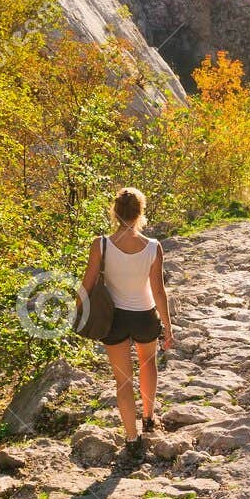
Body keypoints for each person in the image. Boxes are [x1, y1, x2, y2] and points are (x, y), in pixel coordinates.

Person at [81, 187, 173, 462]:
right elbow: (158, 291)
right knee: (148, 365)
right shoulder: (153, 246)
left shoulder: (101, 244)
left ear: (114, 212)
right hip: (145, 316)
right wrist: (167, 325)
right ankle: (149, 417)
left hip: (114, 319)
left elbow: (87, 285)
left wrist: (79, 314)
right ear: (140, 213)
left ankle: (132, 439)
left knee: (123, 381)